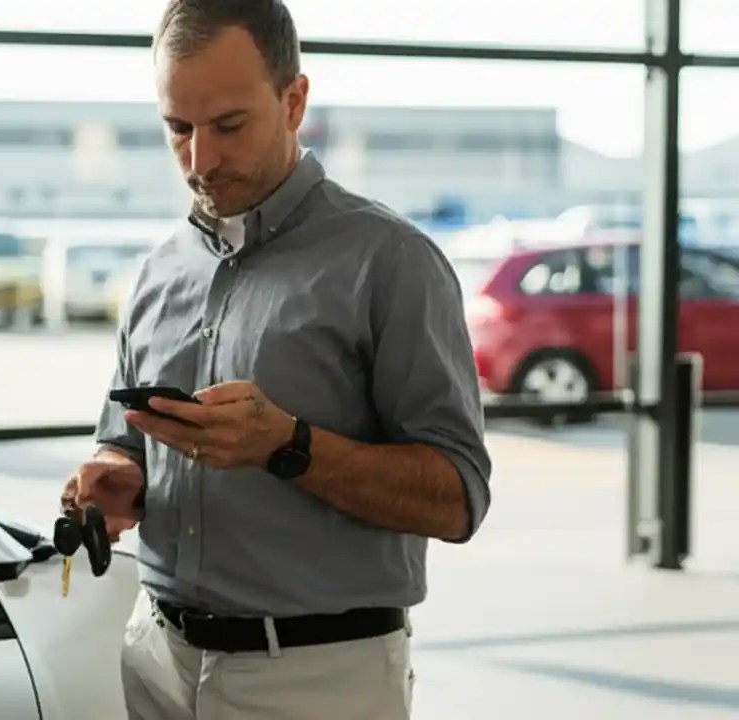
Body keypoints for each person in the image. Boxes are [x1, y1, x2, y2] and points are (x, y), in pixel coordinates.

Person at [58, 1, 493, 718]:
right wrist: (115, 477)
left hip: (316, 679)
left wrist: (289, 447)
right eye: (178, 129)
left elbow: (458, 498)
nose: (201, 159)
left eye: (229, 125)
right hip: (155, 655)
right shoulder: (159, 270)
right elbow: (125, 435)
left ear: (294, 101)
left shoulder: (390, 262)